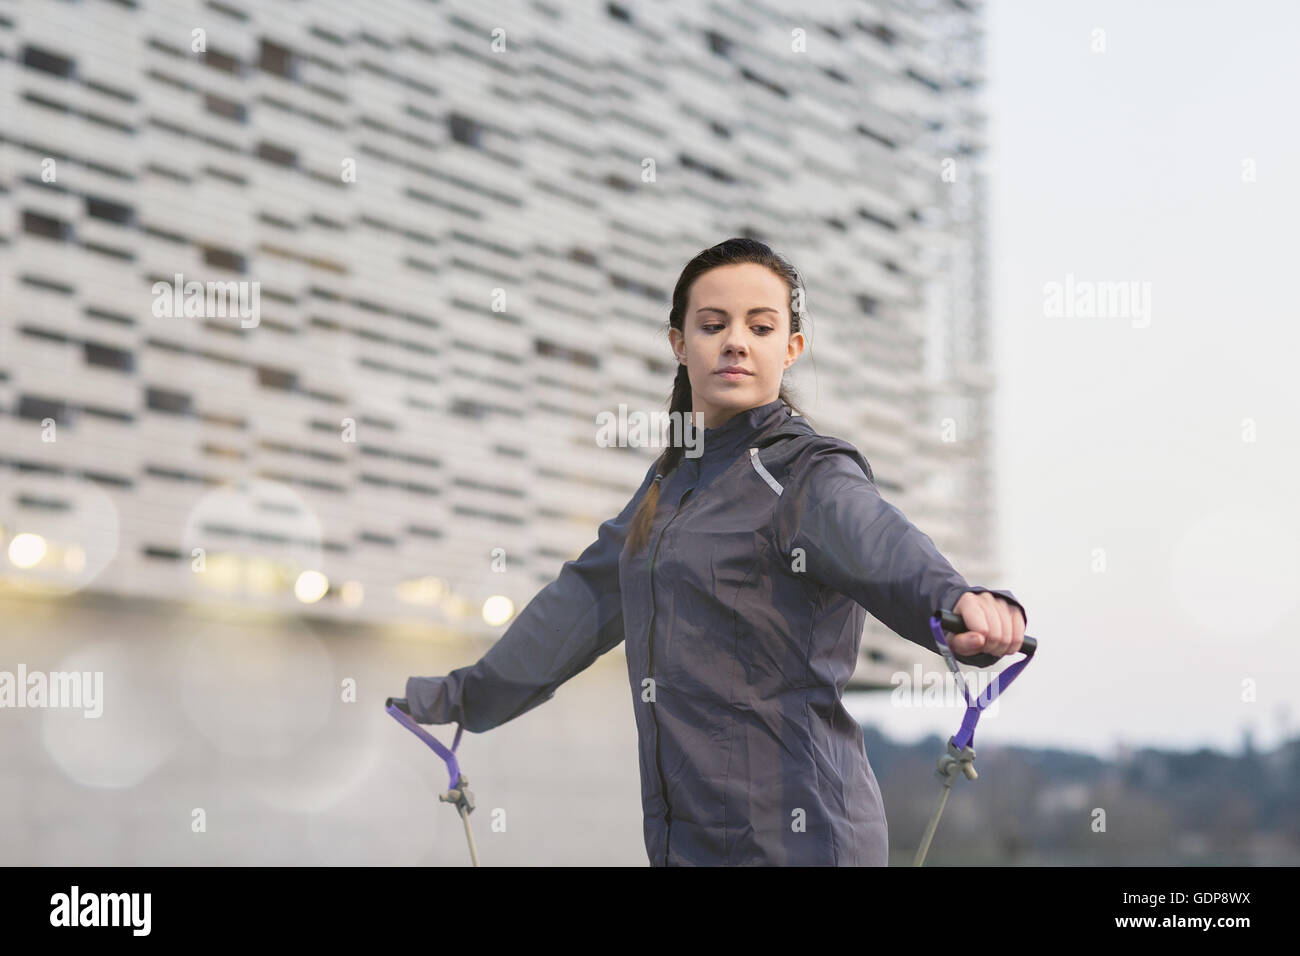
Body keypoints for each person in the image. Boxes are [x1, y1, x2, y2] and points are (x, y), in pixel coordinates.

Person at [406, 237, 1028, 866]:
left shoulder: (806, 474)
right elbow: (581, 602)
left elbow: (882, 542)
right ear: (680, 343)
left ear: (791, 349)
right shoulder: (667, 489)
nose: (736, 341)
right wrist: (462, 697)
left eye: (761, 326)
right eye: (713, 324)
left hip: (803, 845)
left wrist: (958, 601)